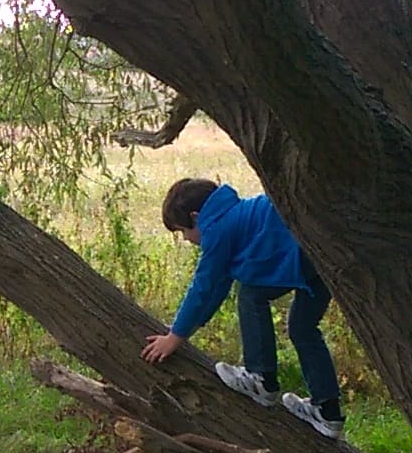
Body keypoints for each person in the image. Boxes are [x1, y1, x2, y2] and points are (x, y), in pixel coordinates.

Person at [141, 178, 345, 438]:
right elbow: (217, 288)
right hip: (323, 251)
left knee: (250, 294)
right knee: (303, 328)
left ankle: (261, 378)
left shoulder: (217, 229)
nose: (186, 239)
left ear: (196, 216)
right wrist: (182, 330)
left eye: (183, 231)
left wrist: (174, 338)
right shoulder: (237, 214)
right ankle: (328, 412)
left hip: (301, 253)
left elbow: (204, 288)